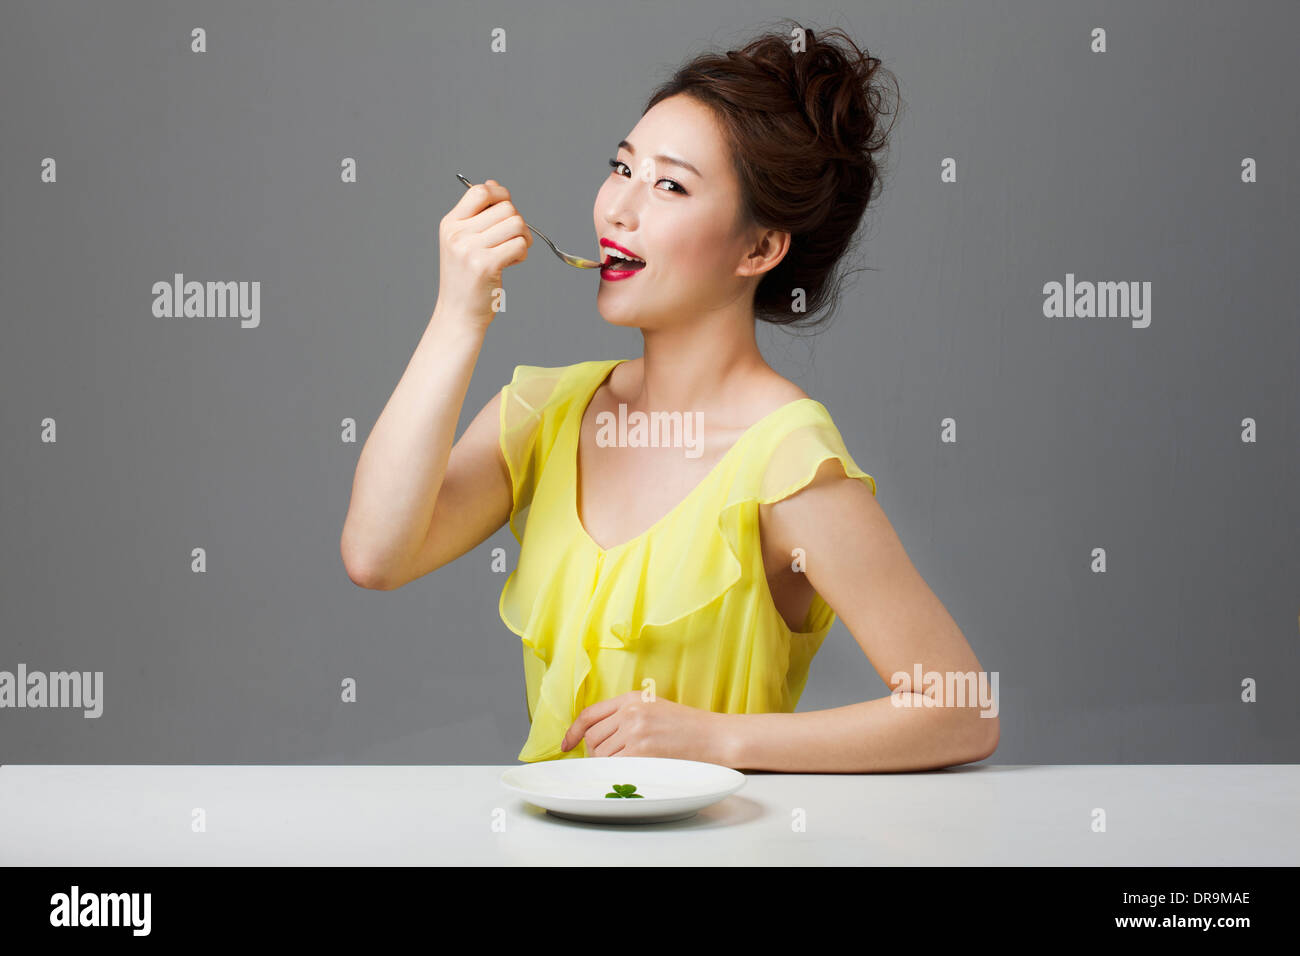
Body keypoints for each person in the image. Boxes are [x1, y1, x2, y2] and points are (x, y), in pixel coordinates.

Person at [341, 20, 998, 772]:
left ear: (759, 249)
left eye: (669, 185)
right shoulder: (549, 413)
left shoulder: (785, 465)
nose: (619, 208)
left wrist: (717, 740)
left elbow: (962, 711)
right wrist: (459, 316)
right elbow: (375, 554)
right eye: (621, 168)